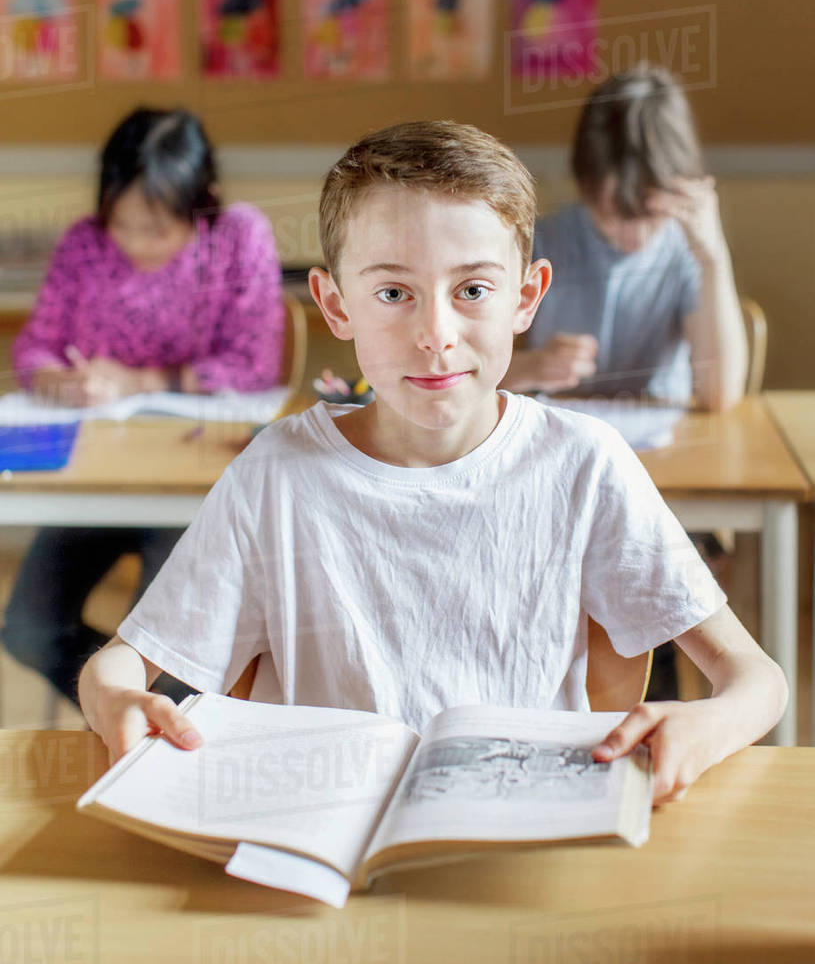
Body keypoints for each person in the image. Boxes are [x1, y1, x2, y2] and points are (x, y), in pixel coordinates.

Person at [78, 120, 786, 803]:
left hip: (523, 834)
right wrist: (113, 697)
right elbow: (119, 662)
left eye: (472, 290)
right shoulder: (276, 474)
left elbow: (757, 679)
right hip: (318, 849)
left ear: (525, 296)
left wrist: (709, 723)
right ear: (336, 304)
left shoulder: (585, 466)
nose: (435, 335)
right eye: (392, 293)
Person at [3, 107, 284, 705]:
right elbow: (33, 349)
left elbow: (252, 364)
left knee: (156, 649)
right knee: (27, 629)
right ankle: (134, 717)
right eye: (121, 224)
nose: (132, 243)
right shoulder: (84, 242)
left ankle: (143, 719)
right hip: (96, 477)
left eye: (156, 228)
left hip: (192, 485)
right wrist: (61, 380)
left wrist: (135, 381)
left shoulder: (237, 237)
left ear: (200, 203)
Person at [503, 63, 748, 411]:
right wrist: (531, 366)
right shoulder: (544, 242)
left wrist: (714, 258)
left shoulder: (687, 252)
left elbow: (720, 395)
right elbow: (468, 376)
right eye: (611, 215)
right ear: (585, 186)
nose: (632, 235)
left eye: (650, 216)